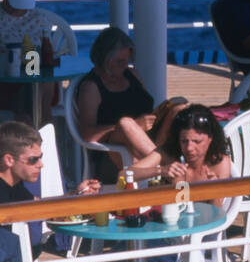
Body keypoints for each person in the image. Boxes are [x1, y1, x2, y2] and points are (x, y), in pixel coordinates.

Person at [93, 105, 235, 262]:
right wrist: (161, 170)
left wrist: (209, 190)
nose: (189, 148)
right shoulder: (170, 154)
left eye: (197, 141)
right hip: (162, 232)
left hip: (194, 242)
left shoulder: (218, 163)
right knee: (132, 261)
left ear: (210, 138)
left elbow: (215, 217)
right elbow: (125, 175)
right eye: (184, 141)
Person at [0, 121, 96, 262]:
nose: (41, 165)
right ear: (9, 160)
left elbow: (40, 206)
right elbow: (39, 210)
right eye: (33, 160)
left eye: (40, 157)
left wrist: (77, 194)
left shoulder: (8, 181)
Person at [74, 27, 184, 184]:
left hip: (148, 146)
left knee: (179, 108)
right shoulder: (91, 86)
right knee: (126, 124)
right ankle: (176, 172)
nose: (125, 65)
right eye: (120, 62)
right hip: (116, 153)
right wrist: (133, 126)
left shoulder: (131, 75)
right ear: (105, 58)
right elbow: (87, 133)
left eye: (127, 61)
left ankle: (183, 167)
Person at [0, 0, 60, 125]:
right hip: (2, 79)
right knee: (38, 85)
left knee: (41, 80)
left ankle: (39, 122)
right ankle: (40, 124)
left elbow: (47, 55)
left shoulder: (39, 19)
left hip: (33, 76)